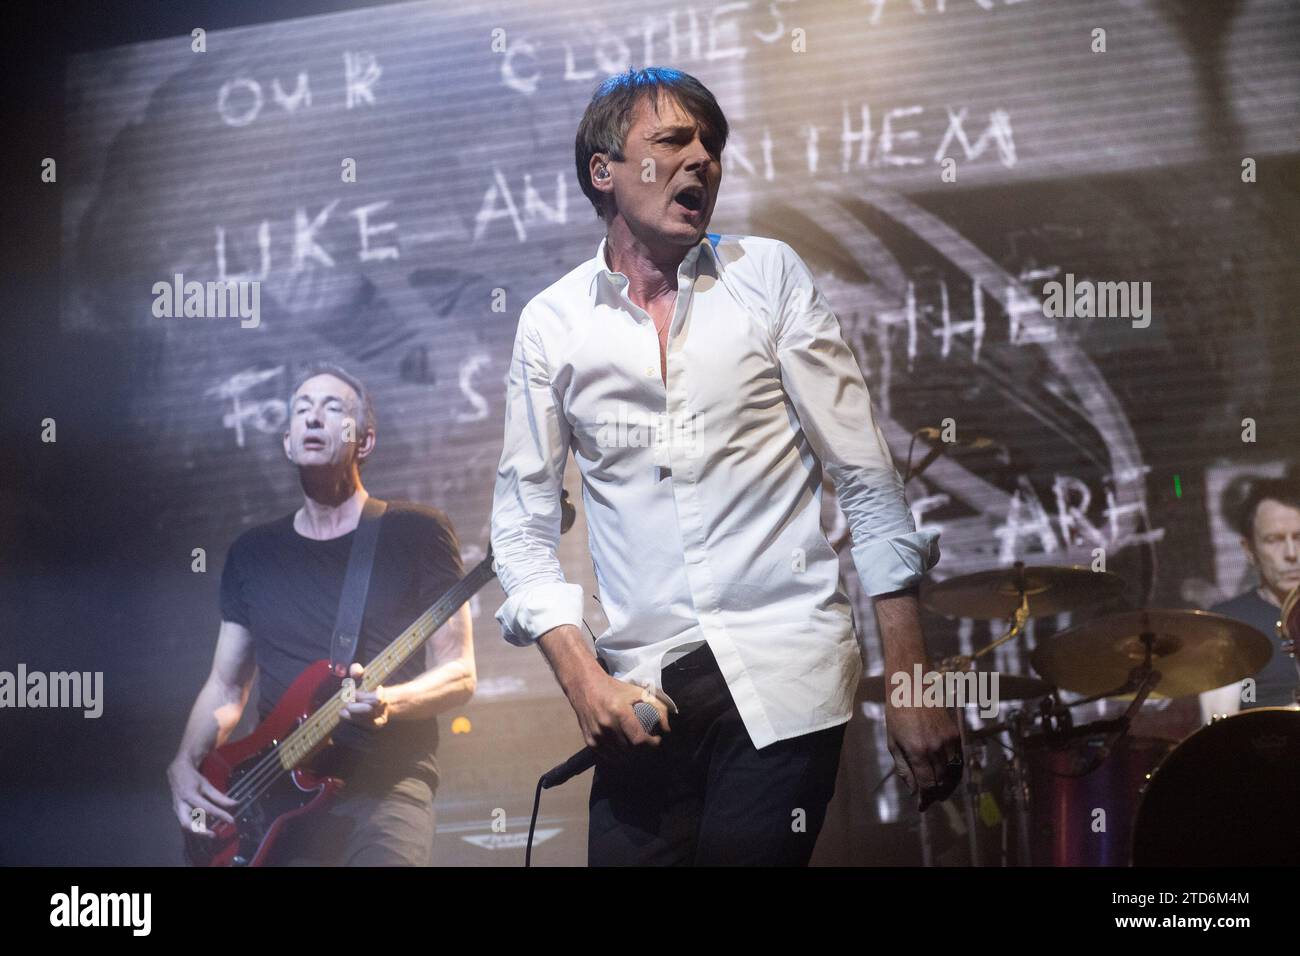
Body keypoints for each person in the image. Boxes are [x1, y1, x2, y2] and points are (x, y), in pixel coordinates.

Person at [489, 68, 960, 866]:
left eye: (712, 145)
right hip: (642, 696)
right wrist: (582, 682)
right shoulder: (551, 324)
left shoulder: (767, 275)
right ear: (603, 170)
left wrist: (913, 687)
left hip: (783, 673)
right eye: (672, 141)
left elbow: (869, 483)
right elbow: (522, 533)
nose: (701, 159)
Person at [168, 362, 475, 865]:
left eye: (333, 408)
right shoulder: (254, 553)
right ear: (288, 442)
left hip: (386, 783)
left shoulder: (417, 532)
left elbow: (459, 673)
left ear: (365, 441)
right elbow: (225, 688)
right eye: (302, 410)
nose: (314, 419)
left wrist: (389, 702)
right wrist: (185, 762)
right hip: (274, 793)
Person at [1199, 477, 1300, 722]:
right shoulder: (1229, 623)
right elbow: (1219, 727)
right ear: (1249, 550)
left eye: (1298, 537)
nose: (1291, 554)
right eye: (1273, 540)